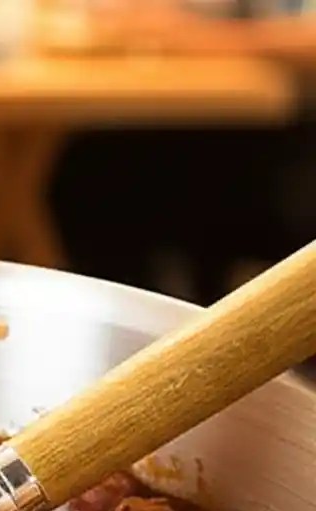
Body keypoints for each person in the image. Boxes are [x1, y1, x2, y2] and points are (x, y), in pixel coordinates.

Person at [50, 0, 316, 304]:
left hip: (293, 157)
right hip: (251, 132)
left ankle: (159, 335)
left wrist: (201, 37)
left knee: (93, 178)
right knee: (89, 165)